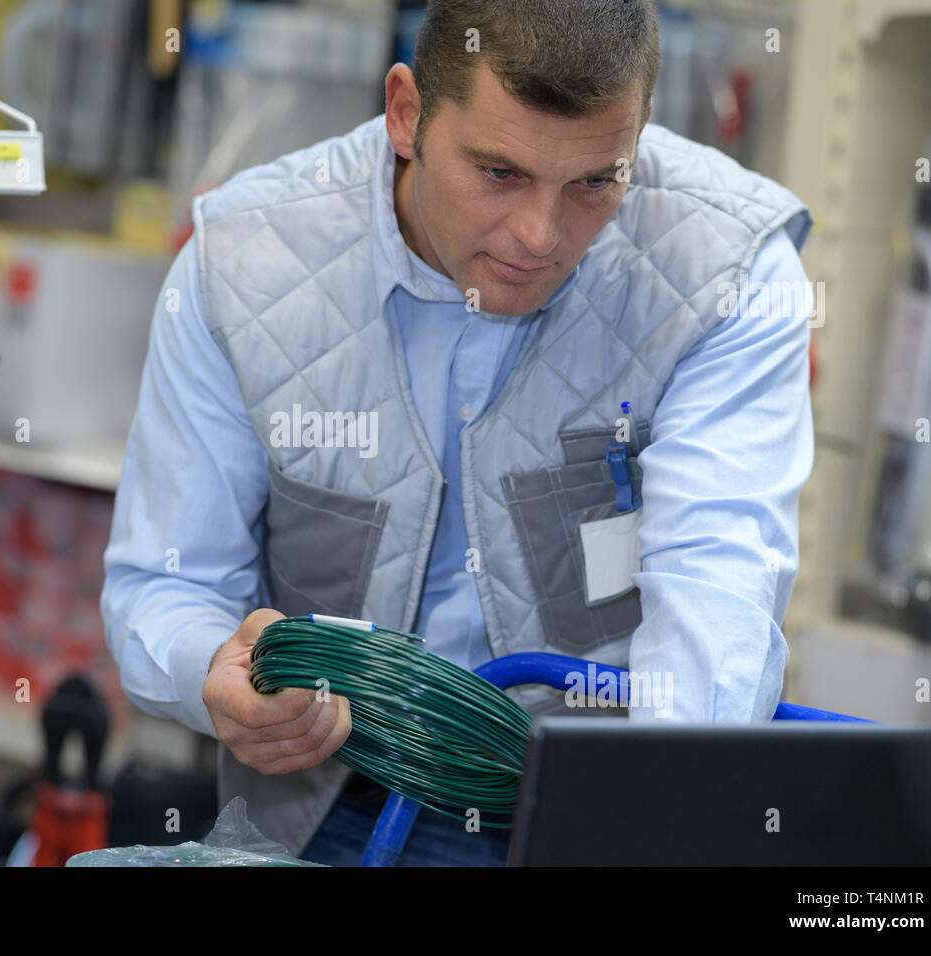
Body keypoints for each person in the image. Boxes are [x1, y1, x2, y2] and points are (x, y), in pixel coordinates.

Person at [103, 0, 815, 865]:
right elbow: (163, 582)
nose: (540, 237)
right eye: (500, 173)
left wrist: (650, 816)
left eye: (596, 181)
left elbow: (718, 586)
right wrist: (208, 670)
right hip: (318, 807)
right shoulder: (244, 263)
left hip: (577, 809)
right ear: (407, 114)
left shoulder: (727, 268)